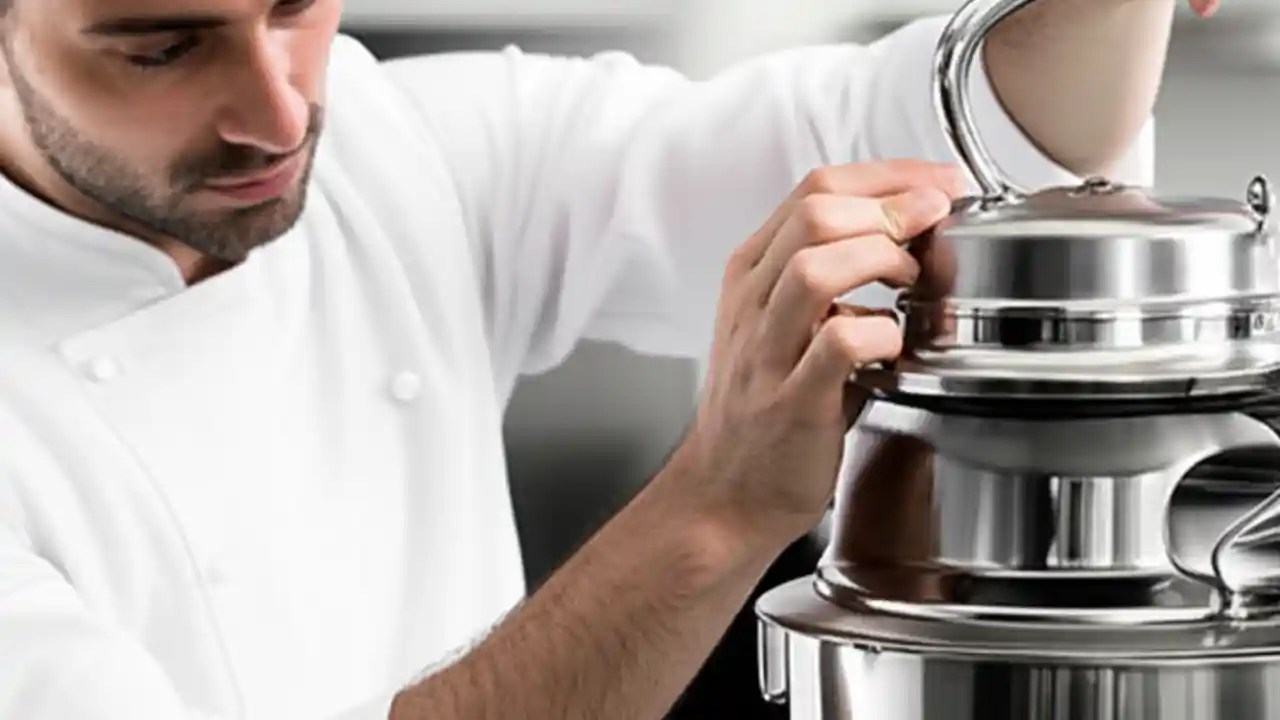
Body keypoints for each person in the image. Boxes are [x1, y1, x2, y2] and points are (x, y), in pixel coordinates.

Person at [0, 0, 1219, 717]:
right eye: (160, 47)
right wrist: (719, 505)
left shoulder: (390, 148)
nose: (277, 113)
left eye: (292, 6)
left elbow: (929, 139)